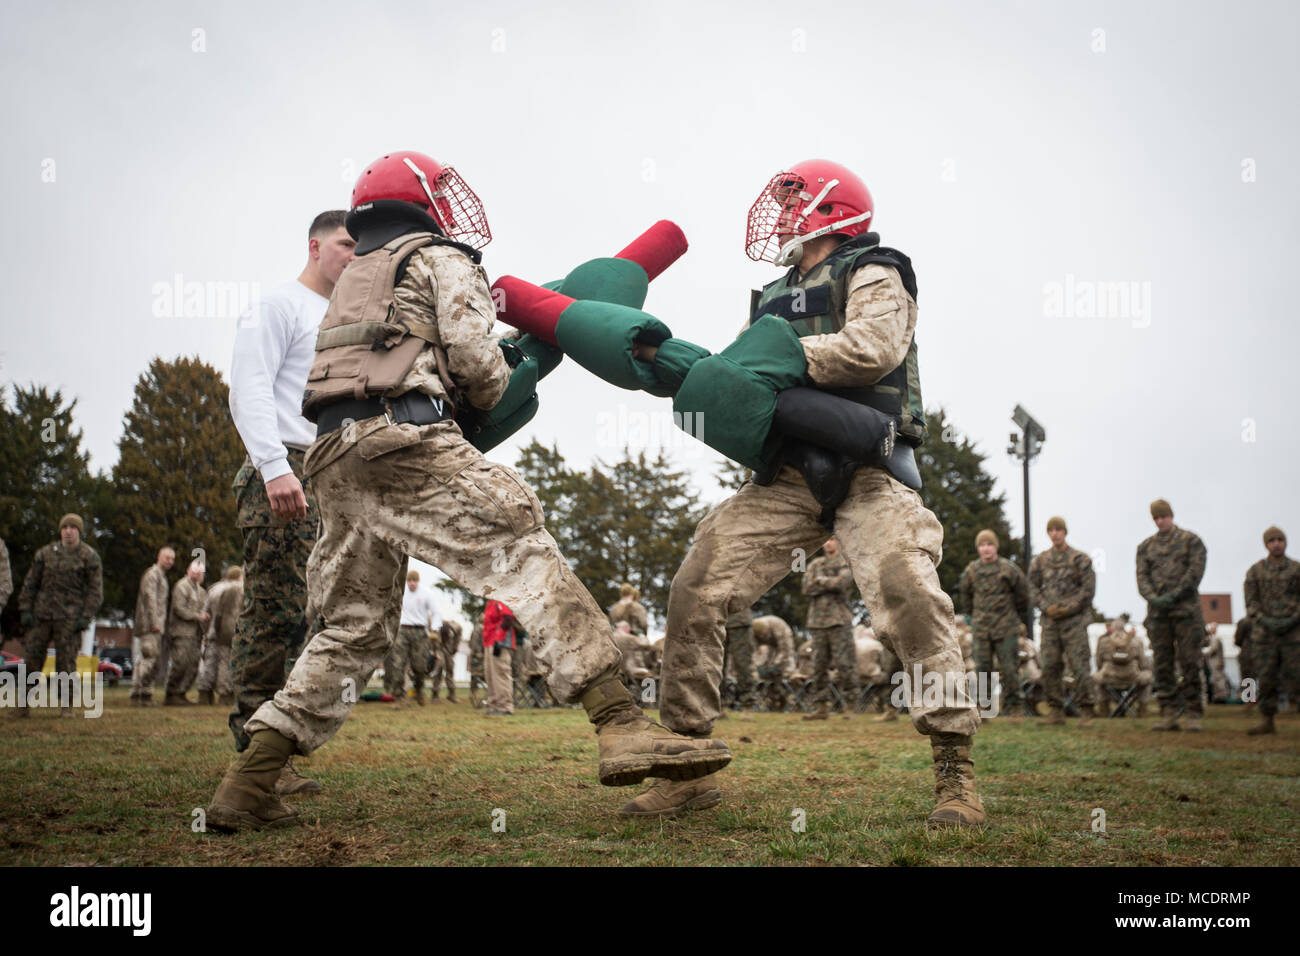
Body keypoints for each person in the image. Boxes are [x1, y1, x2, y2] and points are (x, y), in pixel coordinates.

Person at [204, 152, 728, 831]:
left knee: (350, 629)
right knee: (522, 549)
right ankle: (619, 722)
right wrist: (507, 380)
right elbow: (480, 366)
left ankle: (248, 782)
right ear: (420, 202)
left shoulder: (352, 279)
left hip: (333, 459)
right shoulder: (439, 256)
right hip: (406, 443)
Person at [624, 160, 983, 826]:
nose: (781, 215)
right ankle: (685, 765)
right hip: (786, 476)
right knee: (697, 583)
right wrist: (663, 361)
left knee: (907, 586)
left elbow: (873, 348)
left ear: (829, 209)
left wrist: (779, 356)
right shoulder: (769, 296)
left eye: (792, 202)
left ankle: (953, 768)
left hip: (870, 471)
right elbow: (740, 374)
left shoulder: (873, 270)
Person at [226, 208, 356, 792]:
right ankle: (254, 753)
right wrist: (275, 468)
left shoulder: (347, 314)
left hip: (330, 472)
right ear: (314, 246)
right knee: (272, 611)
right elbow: (248, 386)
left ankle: (276, 752)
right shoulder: (277, 306)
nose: (354, 255)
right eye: (345, 244)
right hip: (284, 469)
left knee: (313, 615)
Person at [17, 514, 102, 716]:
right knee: (31, 659)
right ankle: (23, 704)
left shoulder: (88, 556)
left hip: (70, 619)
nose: (69, 531)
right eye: (65, 527)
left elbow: (95, 590)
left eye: (73, 527)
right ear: (60, 530)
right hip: (41, 616)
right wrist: (25, 609)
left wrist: (85, 616)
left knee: (66, 663)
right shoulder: (45, 554)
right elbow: (31, 583)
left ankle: (66, 706)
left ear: (79, 531)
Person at [1136, 499, 1207, 732]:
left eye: (1163, 516)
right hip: (1158, 616)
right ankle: (1168, 713)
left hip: (1186, 613)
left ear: (1171, 516)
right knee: (1162, 664)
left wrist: (1173, 596)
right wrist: (1155, 598)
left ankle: (1193, 712)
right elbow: (1142, 578)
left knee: (1190, 662)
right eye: (1155, 518)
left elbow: (1194, 573)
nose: (1160, 521)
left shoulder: (1191, 541)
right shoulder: (1145, 547)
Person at [1029, 516, 1097, 726]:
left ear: (1065, 532)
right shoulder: (1040, 560)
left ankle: (1086, 710)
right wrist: (1045, 607)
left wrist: (1067, 608)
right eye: (1051, 530)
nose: (1055, 533)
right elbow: (1031, 587)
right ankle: (1056, 711)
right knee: (1050, 666)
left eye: (1059, 529)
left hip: (1074, 623)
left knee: (1079, 666)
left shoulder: (1080, 559)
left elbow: (1088, 590)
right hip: (1049, 623)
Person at [958, 529, 1030, 716]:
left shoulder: (1009, 569)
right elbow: (965, 596)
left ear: (995, 546)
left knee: (1009, 668)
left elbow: (1023, 596)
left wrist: (1016, 618)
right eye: (982, 545)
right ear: (978, 548)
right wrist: (974, 617)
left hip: (1006, 628)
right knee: (982, 669)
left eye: (989, 544)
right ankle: (984, 708)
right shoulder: (971, 571)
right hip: (982, 629)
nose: (986, 549)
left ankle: (1015, 707)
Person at [1242, 525, 1300, 734]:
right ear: (1266, 544)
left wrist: (1292, 619)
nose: (1276, 543)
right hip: (1265, 635)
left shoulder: (1296, 569)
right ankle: (1267, 720)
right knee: (1266, 678)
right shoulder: (1255, 571)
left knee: (1297, 676)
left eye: (1280, 539)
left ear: (1285, 542)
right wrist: (1265, 620)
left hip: (1293, 634)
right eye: (1272, 540)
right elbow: (1251, 602)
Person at [800, 537, 859, 721]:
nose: (828, 544)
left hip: (839, 620)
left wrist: (820, 580)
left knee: (844, 664)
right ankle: (821, 707)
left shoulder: (845, 562)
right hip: (817, 622)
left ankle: (849, 706)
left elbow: (842, 584)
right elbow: (806, 588)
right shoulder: (816, 563)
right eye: (825, 541)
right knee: (818, 665)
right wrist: (827, 582)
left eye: (832, 540)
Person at [387, 570, 442, 705]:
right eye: (409, 581)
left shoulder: (426, 594)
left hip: (420, 632)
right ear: (407, 581)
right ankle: (399, 697)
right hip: (403, 630)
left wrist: (434, 628)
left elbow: (436, 612)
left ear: (418, 581)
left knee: (419, 666)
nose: (412, 583)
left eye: (414, 581)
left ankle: (419, 691)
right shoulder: (400, 591)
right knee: (398, 664)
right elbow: (390, 608)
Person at [130, 546, 174, 706]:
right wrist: (155, 622)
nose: (170, 561)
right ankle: (137, 693)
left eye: (172, 559)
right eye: (167, 557)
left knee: (153, 660)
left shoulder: (162, 577)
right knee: (148, 659)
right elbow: (150, 598)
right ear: (159, 557)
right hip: (149, 625)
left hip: (156, 625)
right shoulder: (152, 575)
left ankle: (145, 694)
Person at [163, 560, 210, 705]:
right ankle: (171, 693)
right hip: (181, 632)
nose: (197, 574)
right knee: (180, 662)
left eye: (200, 571)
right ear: (188, 570)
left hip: (196, 634)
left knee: (193, 665)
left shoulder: (201, 591)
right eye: (194, 570)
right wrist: (198, 616)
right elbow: (179, 608)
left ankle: (181, 692)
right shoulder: (181, 586)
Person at [198, 566, 244, 706]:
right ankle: (225, 695)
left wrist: (207, 631)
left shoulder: (214, 589)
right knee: (227, 664)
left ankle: (204, 695)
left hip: (213, 632)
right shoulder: (240, 589)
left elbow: (205, 614)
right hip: (230, 631)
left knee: (210, 664)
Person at [1092, 622, 1151, 717]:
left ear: (1112, 628)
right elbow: (1143, 663)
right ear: (1124, 628)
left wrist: (1102, 670)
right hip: (1132, 678)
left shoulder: (1103, 641)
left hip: (1109, 678)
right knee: (1147, 679)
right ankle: (1142, 711)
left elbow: (1098, 663)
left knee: (1098, 680)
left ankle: (1104, 710)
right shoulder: (1136, 641)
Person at [482, 599, 518, 714]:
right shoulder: (490, 602)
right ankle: (494, 705)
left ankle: (505, 706)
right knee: (490, 675)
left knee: (500, 675)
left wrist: (499, 639)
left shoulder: (500, 600)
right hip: (489, 642)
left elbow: (508, 619)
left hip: (499, 643)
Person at [722, 605, 756, 710]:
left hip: (739, 619)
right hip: (715, 618)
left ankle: (747, 703)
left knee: (743, 663)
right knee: (716, 664)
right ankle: (719, 703)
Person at [432, 620, 462, 702]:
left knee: (450, 671)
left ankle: (451, 694)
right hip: (440, 650)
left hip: (449, 652)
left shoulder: (457, 629)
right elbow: (435, 642)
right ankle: (435, 695)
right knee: (439, 670)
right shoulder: (439, 629)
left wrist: (454, 650)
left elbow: (457, 641)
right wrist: (436, 652)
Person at [1202, 623, 1230, 704]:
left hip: (1216, 663)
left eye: (1211, 628)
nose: (1210, 630)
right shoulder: (1212, 638)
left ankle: (1221, 697)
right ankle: (1217, 696)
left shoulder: (1216, 638)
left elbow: (1212, 650)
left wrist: (1203, 654)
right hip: (1214, 662)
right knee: (1215, 679)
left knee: (1218, 679)